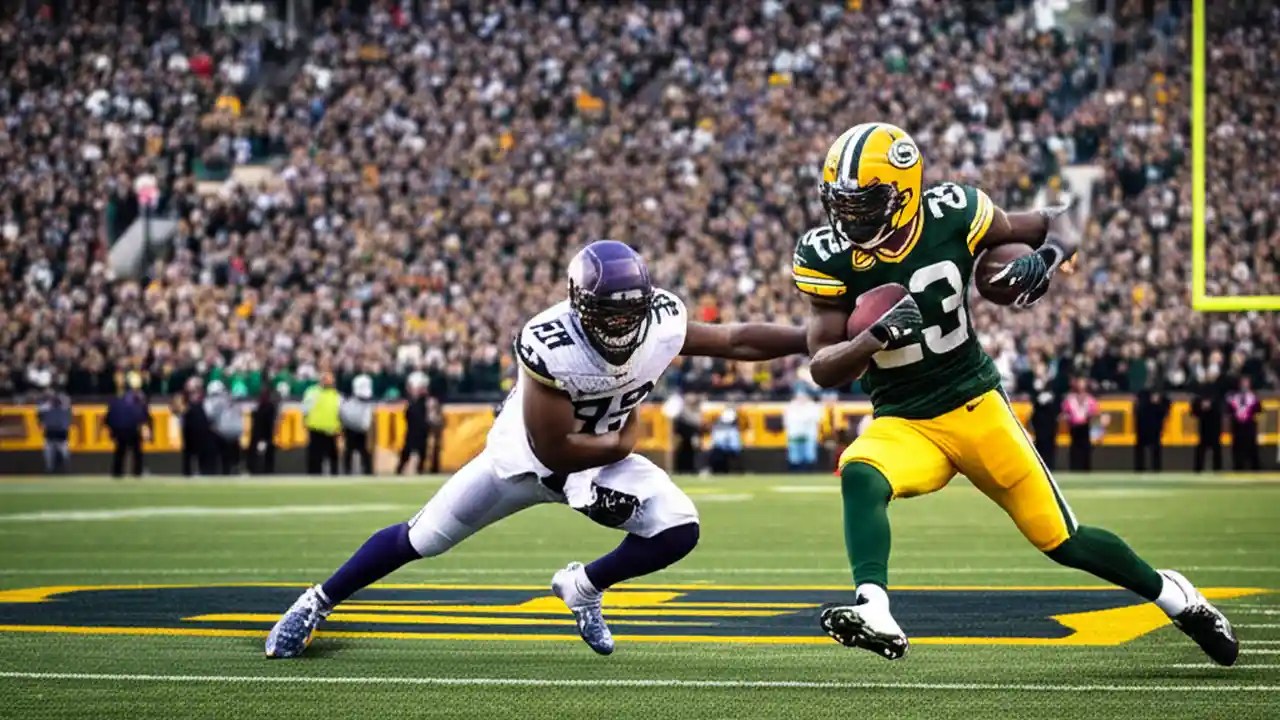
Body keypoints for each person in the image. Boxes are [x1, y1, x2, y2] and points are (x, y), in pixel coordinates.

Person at [792, 122, 1236, 666]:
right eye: (843, 203)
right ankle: (874, 607)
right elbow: (821, 368)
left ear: (905, 195)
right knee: (860, 470)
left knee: (1061, 540)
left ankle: (1177, 598)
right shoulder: (826, 255)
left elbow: (1058, 220)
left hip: (975, 405)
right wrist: (874, 337)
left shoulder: (956, 210)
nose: (851, 216)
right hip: (904, 420)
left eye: (866, 203)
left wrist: (1044, 261)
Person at [264, 240, 809, 659]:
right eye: (608, 313)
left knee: (678, 528)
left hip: (602, 453)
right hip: (524, 459)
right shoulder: (551, 344)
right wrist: (606, 465)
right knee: (422, 537)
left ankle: (582, 586)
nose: (622, 324)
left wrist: (812, 340)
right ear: (577, 304)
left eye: (630, 312)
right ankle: (316, 601)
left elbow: (736, 340)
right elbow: (552, 450)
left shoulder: (661, 321)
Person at [104, 385, 148, 478]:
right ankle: (137, 472)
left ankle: (117, 472)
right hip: (133, 429)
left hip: (121, 430)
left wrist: (112, 430)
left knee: (120, 452)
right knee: (136, 452)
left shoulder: (116, 400)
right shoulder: (136, 399)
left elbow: (108, 418)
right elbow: (141, 415)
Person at [303, 372, 342, 475]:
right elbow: (305, 409)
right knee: (315, 458)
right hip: (316, 429)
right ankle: (313, 479)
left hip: (331, 431)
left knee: (332, 458)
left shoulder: (336, 394)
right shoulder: (313, 392)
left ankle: (334, 479)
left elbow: (339, 411)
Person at [179, 377, 216, 476]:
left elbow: (209, 414)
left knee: (203, 452)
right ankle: (187, 473)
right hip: (188, 429)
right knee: (188, 452)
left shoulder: (205, 399)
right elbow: (178, 412)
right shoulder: (184, 399)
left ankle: (203, 471)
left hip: (201, 429)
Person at [341, 374, 375, 475]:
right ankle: (347, 471)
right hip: (351, 429)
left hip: (361, 430)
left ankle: (368, 472)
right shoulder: (349, 403)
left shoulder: (366, 402)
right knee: (350, 451)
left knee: (364, 452)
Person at [1063, 377, 1098, 472]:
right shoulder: (1070, 398)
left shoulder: (1090, 399)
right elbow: (1065, 412)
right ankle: (1074, 468)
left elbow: (1094, 412)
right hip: (1074, 427)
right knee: (1075, 449)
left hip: (1085, 427)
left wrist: (1090, 416)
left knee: (1085, 449)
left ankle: (1085, 469)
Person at [1226, 376, 1261, 471]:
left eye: (1246, 383)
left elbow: (1258, 410)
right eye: (1243, 383)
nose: (1244, 385)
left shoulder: (1253, 397)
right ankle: (1237, 467)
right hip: (1237, 426)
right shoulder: (1234, 397)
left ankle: (1255, 468)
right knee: (1237, 447)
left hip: (1249, 425)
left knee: (1252, 447)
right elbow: (1229, 410)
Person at [1134, 383, 1171, 472]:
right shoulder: (1142, 396)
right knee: (1140, 448)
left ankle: (1156, 469)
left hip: (1156, 427)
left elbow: (1165, 411)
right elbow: (1138, 410)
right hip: (1142, 426)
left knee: (1155, 448)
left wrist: (1157, 404)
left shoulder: (1164, 398)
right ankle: (1139, 469)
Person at [783, 390, 823, 472]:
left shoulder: (813, 407)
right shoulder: (790, 407)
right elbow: (787, 421)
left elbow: (816, 419)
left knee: (809, 453)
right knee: (795, 454)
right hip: (795, 434)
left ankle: (809, 470)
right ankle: (795, 470)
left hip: (809, 434)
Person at [1028, 375, 1061, 471]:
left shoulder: (1053, 386)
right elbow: (1033, 402)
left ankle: (1051, 466)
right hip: (1039, 421)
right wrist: (1037, 391)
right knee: (1040, 443)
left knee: (1050, 444)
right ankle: (1040, 467)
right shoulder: (1035, 385)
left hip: (1050, 421)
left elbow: (1057, 403)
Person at [396, 378, 428, 474]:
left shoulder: (425, 402)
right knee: (406, 453)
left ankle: (420, 471)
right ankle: (399, 471)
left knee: (422, 453)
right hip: (412, 431)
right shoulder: (409, 402)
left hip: (421, 432)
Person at [1191, 380, 1224, 473]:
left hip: (1215, 426)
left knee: (1216, 448)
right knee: (1201, 449)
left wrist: (1211, 406)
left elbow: (1221, 410)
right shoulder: (1198, 397)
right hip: (1203, 426)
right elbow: (1194, 412)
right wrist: (1201, 407)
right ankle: (1198, 470)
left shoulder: (1218, 396)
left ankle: (1217, 470)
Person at [36, 390, 72, 474]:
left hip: (60, 434)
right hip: (51, 433)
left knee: (63, 453)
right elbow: (39, 415)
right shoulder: (47, 407)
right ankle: (50, 469)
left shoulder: (64, 408)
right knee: (49, 453)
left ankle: (64, 469)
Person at [249, 385, 280, 475]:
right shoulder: (267, 407)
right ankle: (264, 471)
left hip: (262, 436)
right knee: (264, 456)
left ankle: (261, 471)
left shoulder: (261, 407)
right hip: (264, 436)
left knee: (262, 456)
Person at [706, 408, 742, 474]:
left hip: (719, 453)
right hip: (724, 454)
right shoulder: (733, 430)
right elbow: (735, 447)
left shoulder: (716, 428)